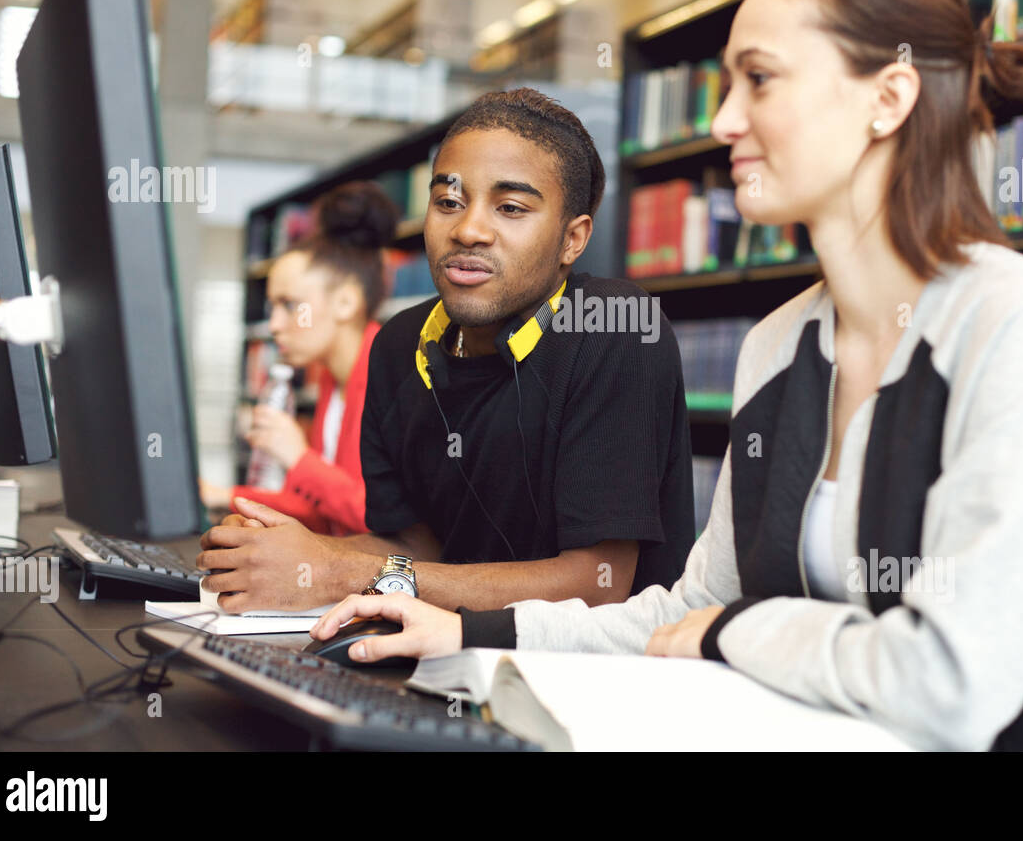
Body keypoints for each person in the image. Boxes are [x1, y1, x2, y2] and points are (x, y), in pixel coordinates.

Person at [311, 0, 1023, 753]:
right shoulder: (780, 345)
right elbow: (684, 610)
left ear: (889, 97)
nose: (724, 121)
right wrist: (465, 629)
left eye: (759, 80)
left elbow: (951, 682)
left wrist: (738, 632)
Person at [198, 87, 695, 615]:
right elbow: (416, 550)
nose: (468, 229)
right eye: (449, 202)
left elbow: (596, 584)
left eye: (510, 207)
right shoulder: (398, 345)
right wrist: (281, 551)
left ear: (572, 241)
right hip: (441, 659)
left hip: (584, 682)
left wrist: (334, 571)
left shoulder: (615, 325)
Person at [200, 182, 397, 536]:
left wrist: (297, 456)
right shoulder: (331, 379)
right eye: (273, 306)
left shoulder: (388, 378)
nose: (274, 325)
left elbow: (376, 516)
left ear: (346, 302)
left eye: (290, 305)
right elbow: (320, 508)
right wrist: (221, 495)